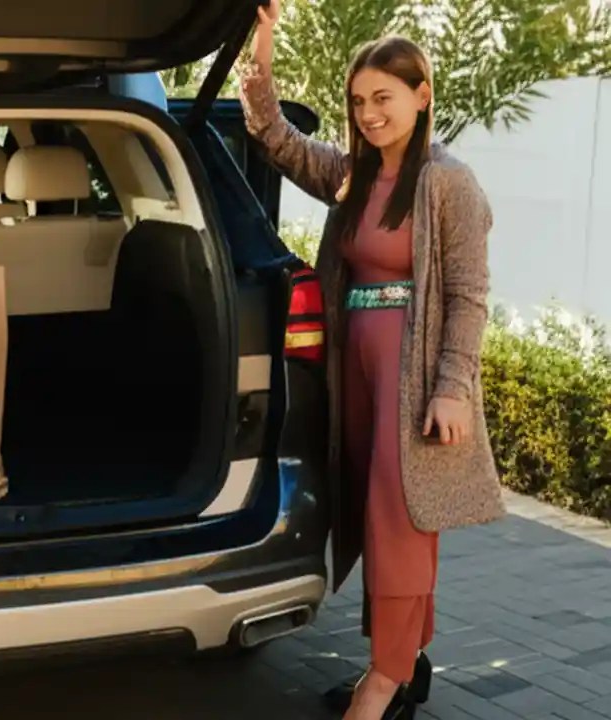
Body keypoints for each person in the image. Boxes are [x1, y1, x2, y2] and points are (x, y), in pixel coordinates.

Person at [237, 2, 508, 719]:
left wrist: (452, 389)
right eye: (358, 102)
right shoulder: (353, 173)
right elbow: (274, 137)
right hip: (354, 375)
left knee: (399, 522)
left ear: (422, 94)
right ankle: (401, 664)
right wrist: (263, 42)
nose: (368, 113)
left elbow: (470, 296)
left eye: (383, 98)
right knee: (375, 516)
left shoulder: (449, 184)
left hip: (411, 380)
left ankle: (382, 683)